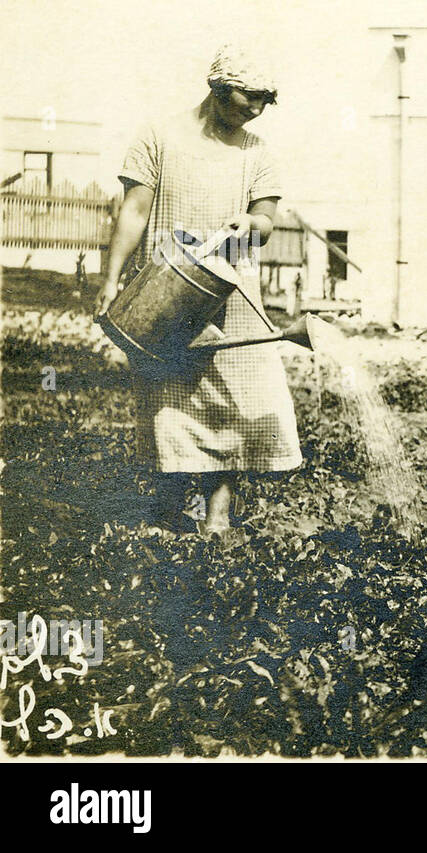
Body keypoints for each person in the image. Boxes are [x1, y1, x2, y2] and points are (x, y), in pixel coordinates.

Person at [95, 44, 301, 542]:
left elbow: (267, 222)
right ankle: (167, 511)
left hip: (231, 294)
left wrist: (248, 223)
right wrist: (111, 279)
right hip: (166, 291)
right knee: (169, 397)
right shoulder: (158, 136)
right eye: (249, 97)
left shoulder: (257, 153)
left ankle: (218, 516)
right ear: (216, 86)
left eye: (265, 100)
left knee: (232, 399)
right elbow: (135, 212)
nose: (256, 109)